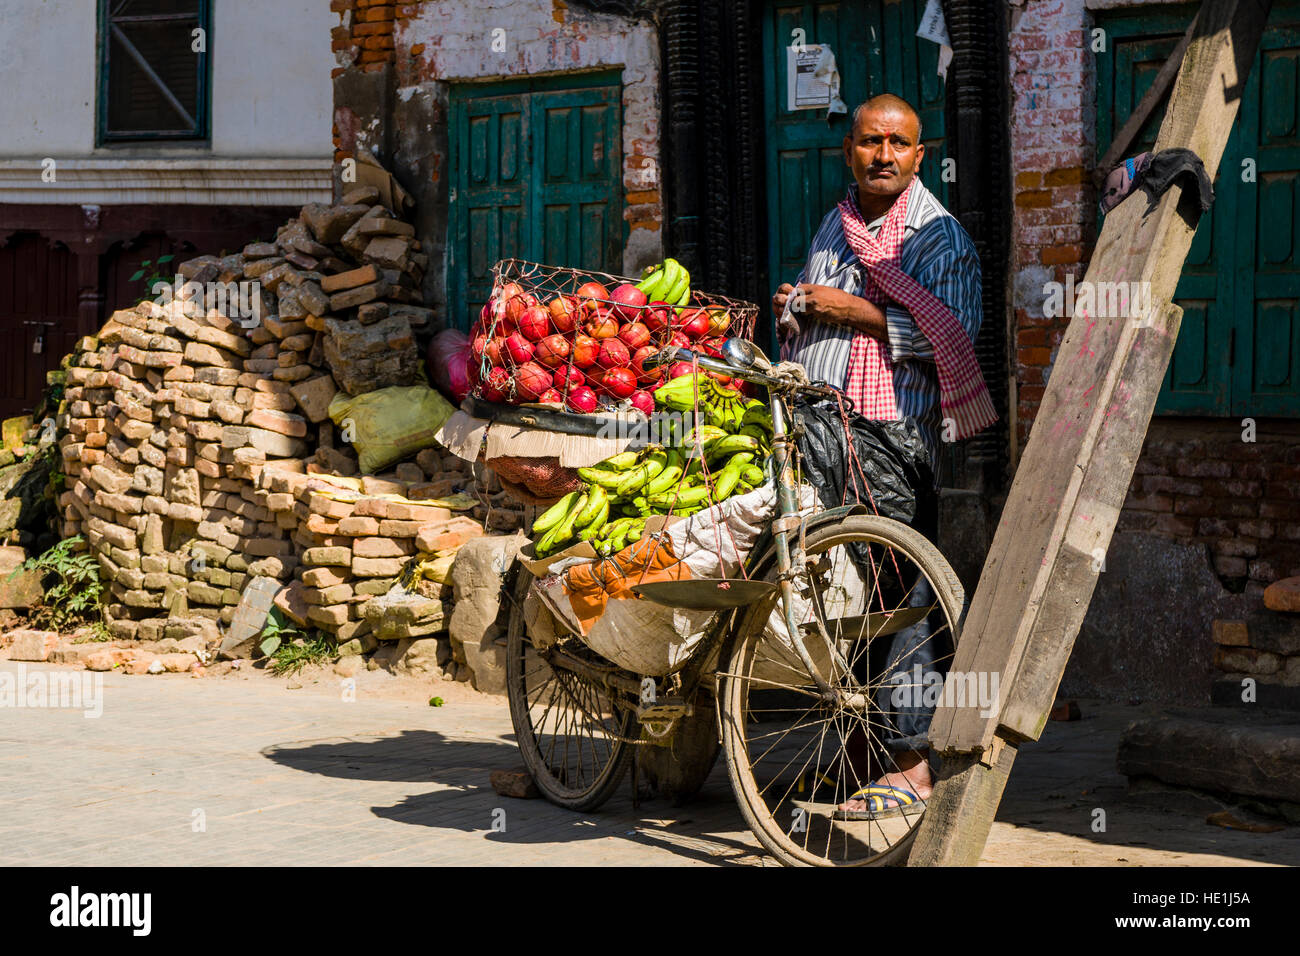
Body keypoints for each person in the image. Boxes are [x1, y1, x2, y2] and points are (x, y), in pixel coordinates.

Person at [773, 93, 996, 820]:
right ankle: (859, 754)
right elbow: (817, 312)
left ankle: (913, 766)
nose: (883, 154)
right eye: (870, 141)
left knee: (900, 599)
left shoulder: (939, 239)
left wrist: (852, 311)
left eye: (899, 143)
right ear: (850, 151)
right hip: (826, 431)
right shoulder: (834, 228)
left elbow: (954, 340)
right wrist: (799, 306)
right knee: (850, 598)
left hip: (895, 441)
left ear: (919, 154)